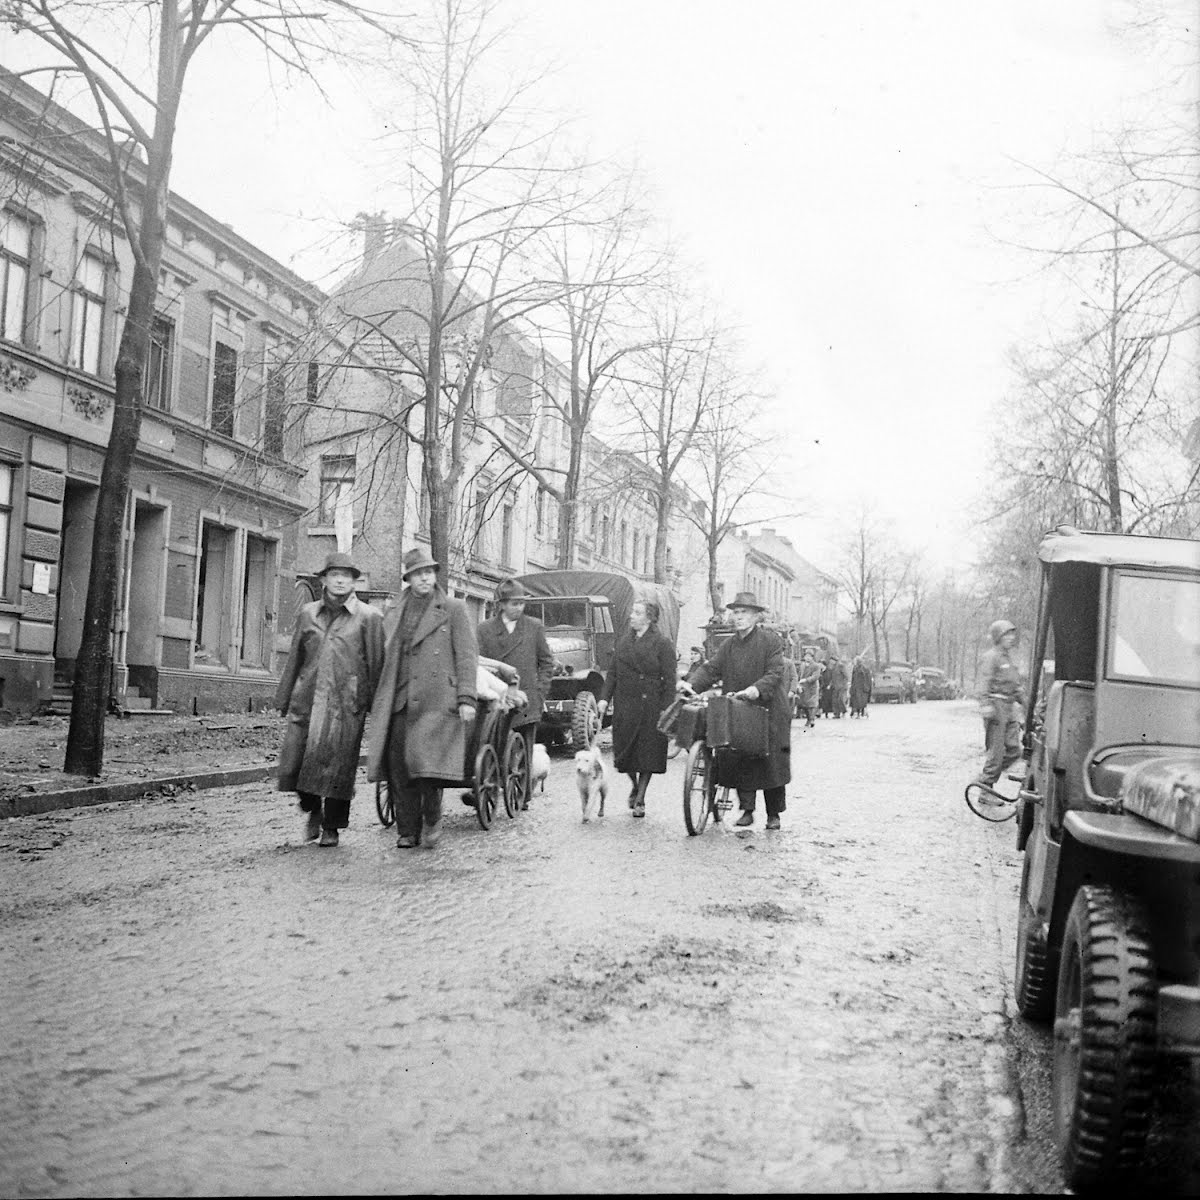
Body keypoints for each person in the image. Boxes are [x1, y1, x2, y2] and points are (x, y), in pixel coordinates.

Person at [366, 548, 479, 850]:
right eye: (418, 574)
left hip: (436, 700)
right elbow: (381, 657)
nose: (424, 578)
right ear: (409, 578)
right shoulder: (394, 611)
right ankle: (406, 830)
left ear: (435, 575)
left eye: (428, 572)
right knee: (399, 767)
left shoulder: (453, 609)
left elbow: (467, 656)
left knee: (427, 768)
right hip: (399, 699)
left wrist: (466, 697)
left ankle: (432, 815)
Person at [275, 552, 385, 848]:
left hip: (346, 703)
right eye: (334, 574)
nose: (339, 580)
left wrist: (376, 706)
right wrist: (283, 697)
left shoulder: (370, 617)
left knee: (338, 768)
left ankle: (332, 827)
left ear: (354, 581)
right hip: (307, 698)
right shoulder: (308, 613)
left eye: (346, 575)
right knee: (292, 764)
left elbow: (376, 664)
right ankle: (312, 808)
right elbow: (295, 657)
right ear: (323, 579)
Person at [681, 591, 791, 830]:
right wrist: (692, 684)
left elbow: (774, 673)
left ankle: (774, 814)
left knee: (771, 762)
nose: (739, 617)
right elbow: (712, 669)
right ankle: (747, 810)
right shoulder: (729, 645)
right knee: (741, 755)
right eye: (736, 612)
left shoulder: (770, 641)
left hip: (769, 707)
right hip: (740, 708)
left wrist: (756, 689)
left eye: (744, 613)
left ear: (755, 616)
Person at [476, 578, 555, 807]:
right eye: (514, 603)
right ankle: (487, 785)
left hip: (525, 698)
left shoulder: (534, 627)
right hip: (495, 697)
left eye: (522, 603)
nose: (519, 608)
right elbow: (477, 662)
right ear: (501, 604)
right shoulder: (484, 630)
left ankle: (523, 795)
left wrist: (540, 693)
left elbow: (546, 663)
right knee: (489, 741)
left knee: (523, 750)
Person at [597, 599, 676, 818]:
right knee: (625, 753)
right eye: (632, 611)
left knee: (647, 754)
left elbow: (670, 680)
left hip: (651, 707)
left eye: (637, 613)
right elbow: (613, 673)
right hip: (625, 705)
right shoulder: (623, 642)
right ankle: (634, 783)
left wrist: (666, 709)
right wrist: (604, 698)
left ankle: (640, 797)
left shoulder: (662, 643)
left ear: (649, 618)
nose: (631, 615)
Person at [977, 619, 1026, 788]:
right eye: (1007, 634)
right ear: (998, 636)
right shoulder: (991, 657)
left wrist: (1027, 704)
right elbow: (984, 682)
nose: (1011, 638)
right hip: (996, 706)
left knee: (1014, 751)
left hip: (1009, 707)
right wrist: (986, 704)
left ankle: (985, 778)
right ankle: (985, 788)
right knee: (996, 753)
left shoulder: (1009, 659)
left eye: (1012, 634)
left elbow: (1016, 686)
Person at [795, 646, 822, 730]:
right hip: (804, 687)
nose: (807, 658)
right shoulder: (802, 665)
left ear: (812, 657)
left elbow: (815, 676)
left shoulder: (816, 666)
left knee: (812, 704)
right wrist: (798, 682)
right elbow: (799, 675)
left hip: (812, 687)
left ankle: (811, 720)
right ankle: (808, 719)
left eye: (809, 656)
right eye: (806, 656)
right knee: (804, 704)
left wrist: (806, 680)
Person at [849, 653, 873, 718]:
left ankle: (861, 713)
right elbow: (853, 679)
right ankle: (858, 713)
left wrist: (867, 687)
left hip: (862, 688)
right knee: (857, 702)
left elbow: (868, 679)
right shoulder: (855, 668)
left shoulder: (865, 669)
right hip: (856, 688)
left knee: (861, 702)